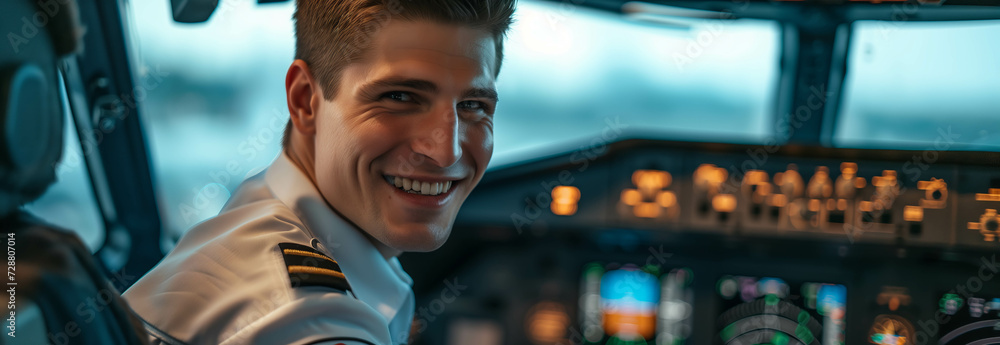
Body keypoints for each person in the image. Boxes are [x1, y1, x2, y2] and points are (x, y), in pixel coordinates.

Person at [123, 1, 517, 344]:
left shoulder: (257, 215)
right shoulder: (308, 321)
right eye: (399, 97)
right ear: (305, 100)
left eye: (473, 105)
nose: (445, 151)